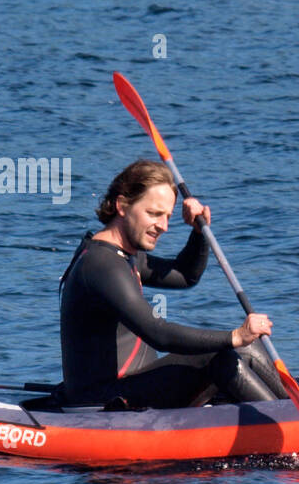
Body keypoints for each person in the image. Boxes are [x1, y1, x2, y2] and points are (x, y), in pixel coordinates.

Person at [59, 160, 282, 408]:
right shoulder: (102, 265)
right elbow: (159, 334)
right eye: (154, 214)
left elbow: (185, 275)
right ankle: (296, 427)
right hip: (102, 400)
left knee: (248, 348)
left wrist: (199, 234)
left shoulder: (125, 254)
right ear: (122, 206)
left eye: (167, 216)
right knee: (225, 353)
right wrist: (235, 336)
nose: (163, 226)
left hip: (137, 382)